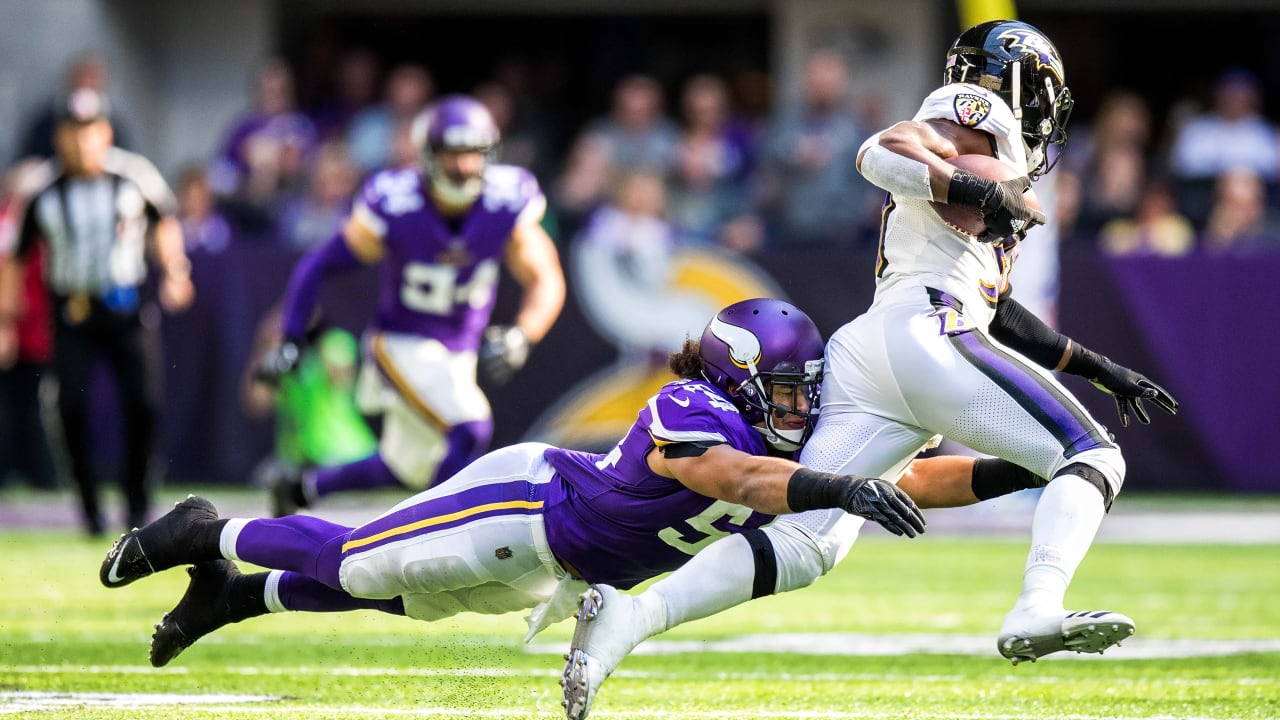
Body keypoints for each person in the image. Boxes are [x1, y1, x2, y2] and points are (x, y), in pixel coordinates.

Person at [560, 20, 1181, 720]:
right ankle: (1037, 605)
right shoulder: (977, 111)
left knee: (804, 543)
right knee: (1093, 455)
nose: (1044, 106)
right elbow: (878, 151)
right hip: (927, 329)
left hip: (883, 348)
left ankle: (628, 621)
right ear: (1010, 79)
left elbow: (1000, 312)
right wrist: (981, 193)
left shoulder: (987, 152)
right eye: (1040, 88)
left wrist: (1099, 369)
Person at [99, 298, 1046, 673]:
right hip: (527, 505)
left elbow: (918, 475)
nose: (801, 406)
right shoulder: (695, 409)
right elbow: (740, 479)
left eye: (808, 392)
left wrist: (1027, 469)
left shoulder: (770, 430)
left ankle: (239, 598)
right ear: (742, 374)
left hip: (554, 571)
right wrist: (841, 493)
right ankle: (206, 530)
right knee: (355, 564)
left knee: (397, 597)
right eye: (789, 388)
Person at [256, 94, 566, 517]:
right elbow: (319, 264)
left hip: (457, 352)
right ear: (428, 156)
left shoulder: (508, 199)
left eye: (472, 155)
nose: (462, 167)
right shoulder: (397, 201)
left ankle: (300, 487)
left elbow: (546, 279)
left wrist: (522, 333)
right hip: (401, 341)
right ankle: (428, 541)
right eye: (451, 154)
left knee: (405, 466)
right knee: (471, 425)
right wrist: (291, 337)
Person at [0, 88, 195, 535]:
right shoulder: (41, 189)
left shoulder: (133, 176)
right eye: (73, 132)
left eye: (90, 131)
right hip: (71, 312)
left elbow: (165, 220)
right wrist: (6, 322)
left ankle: (136, 503)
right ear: (59, 136)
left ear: (105, 132)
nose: (82, 142)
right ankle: (89, 506)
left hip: (126, 307)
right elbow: (14, 255)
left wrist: (175, 271)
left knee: (143, 403)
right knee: (70, 406)